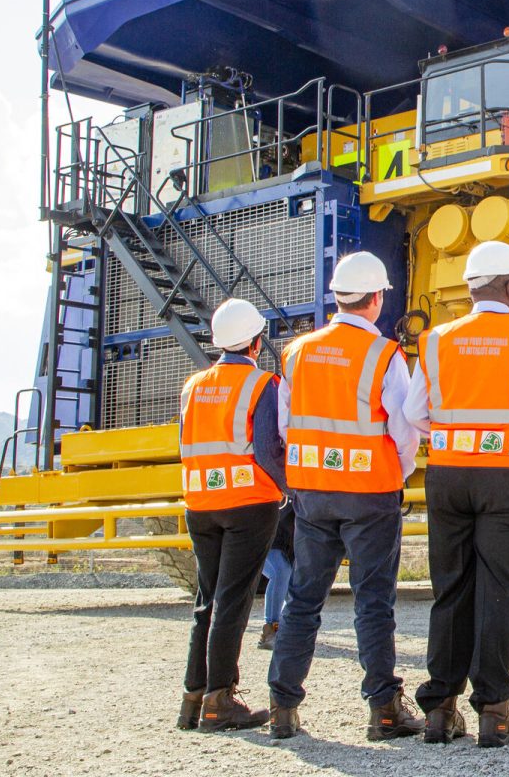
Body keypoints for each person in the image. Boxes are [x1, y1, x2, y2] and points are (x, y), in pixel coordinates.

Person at [409, 240, 509, 748]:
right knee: (499, 592)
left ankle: (439, 708)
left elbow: (416, 415)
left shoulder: (436, 340)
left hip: (449, 478)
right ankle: (495, 713)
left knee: (450, 590)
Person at [267, 251, 423, 742]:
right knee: (373, 601)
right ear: (376, 300)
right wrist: (397, 473)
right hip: (371, 493)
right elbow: (405, 428)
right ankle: (384, 710)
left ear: (336, 298)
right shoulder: (384, 356)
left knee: (303, 598)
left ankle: (282, 706)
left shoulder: (296, 353)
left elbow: (285, 426)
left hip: (313, 494)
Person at [176, 298, 286, 733]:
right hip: (249, 505)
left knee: (207, 601)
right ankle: (220, 699)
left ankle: (193, 697)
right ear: (256, 344)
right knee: (233, 602)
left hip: (200, 504)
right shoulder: (262, 385)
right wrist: (285, 488)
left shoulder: (193, 385)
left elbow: (184, 443)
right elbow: (265, 449)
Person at [257, 498, 294, 650]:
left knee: (294, 581)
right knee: (280, 571)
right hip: (264, 539)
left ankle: (288, 626)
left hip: (289, 543)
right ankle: (270, 629)